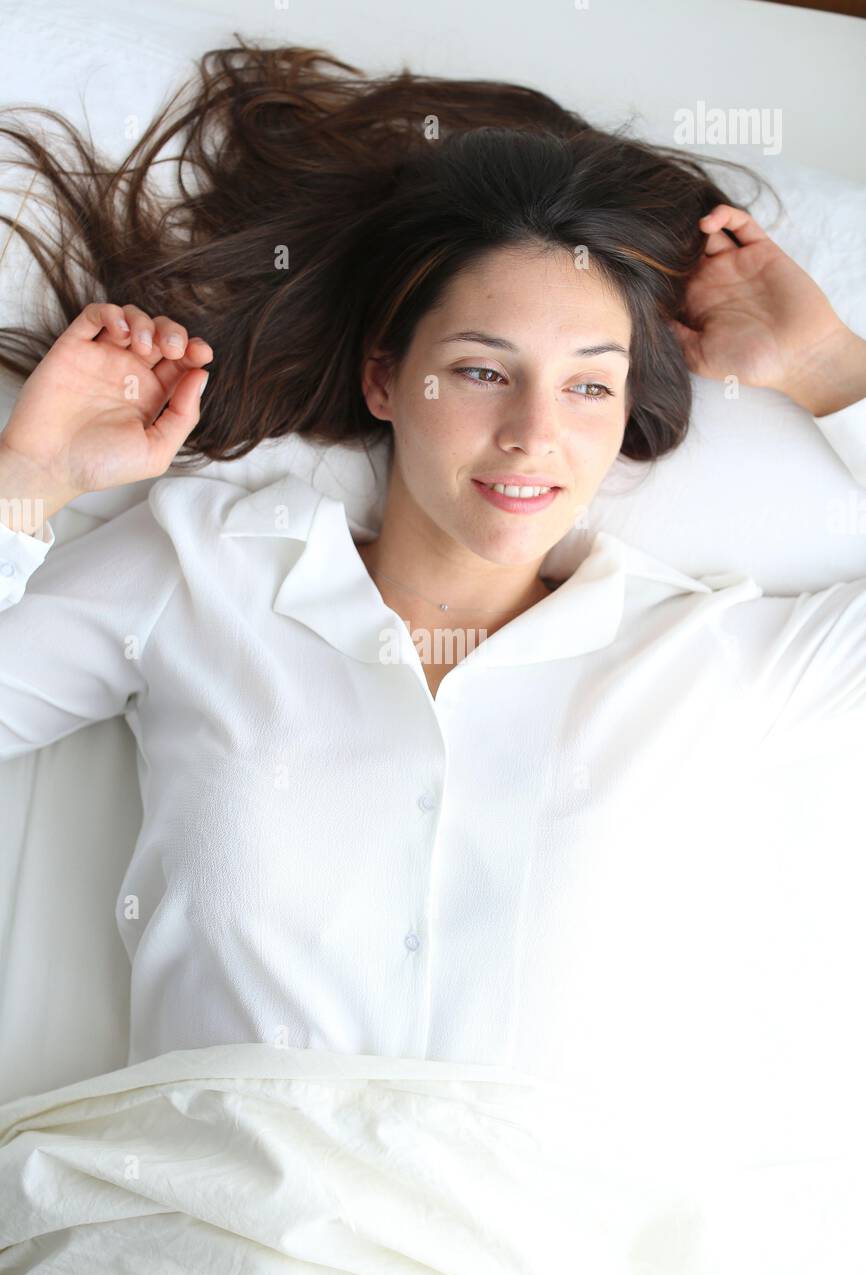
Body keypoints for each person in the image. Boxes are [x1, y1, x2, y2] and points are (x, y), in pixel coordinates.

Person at [0, 41, 864, 1092]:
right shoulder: (205, 568)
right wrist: (30, 483)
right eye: (479, 370)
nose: (530, 434)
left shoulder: (698, 658)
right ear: (383, 377)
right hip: (196, 1235)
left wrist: (831, 372)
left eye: (588, 387)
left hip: (527, 1249)